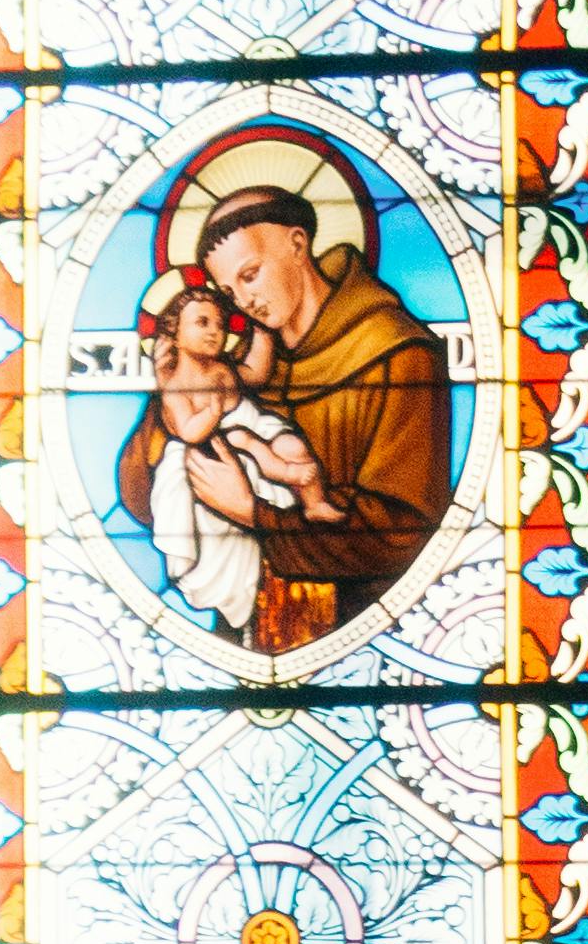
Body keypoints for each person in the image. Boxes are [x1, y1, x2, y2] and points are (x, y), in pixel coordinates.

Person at [192, 185, 457, 647]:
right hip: (245, 630)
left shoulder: (397, 354)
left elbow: (402, 534)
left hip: (371, 640)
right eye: (230, 292)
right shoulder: (243, 371)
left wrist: (253, 514)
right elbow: (144, 495)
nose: (245, 301)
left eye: (251, 274)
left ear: (298, 244)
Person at [116, 270, 336, 638]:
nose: (214, 331)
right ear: (174, 332)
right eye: (201, 322)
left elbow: (257, 374)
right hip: (209, 447)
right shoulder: (175, 384)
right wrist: (214, 412)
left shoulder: (224, 368)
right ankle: (241, 600)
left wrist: (262, 331)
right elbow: (188, 431)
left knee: (292, 447)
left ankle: (312, 501)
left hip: (247, 429)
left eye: (219, 323)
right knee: (240, 481)